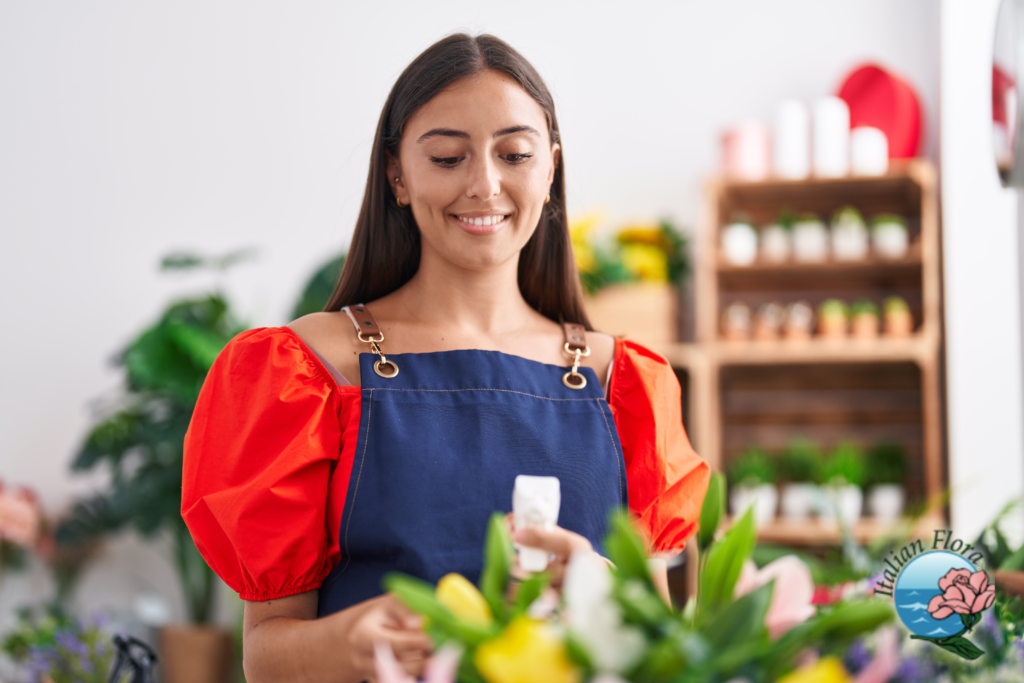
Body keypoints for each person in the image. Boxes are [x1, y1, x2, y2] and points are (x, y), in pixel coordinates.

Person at [181, 33, 709, 683]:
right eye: (448, 157)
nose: (484, 184)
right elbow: (265, 655)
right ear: (398, 175)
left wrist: (608, 593)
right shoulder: (307, 370)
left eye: (514, 153)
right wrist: (345, 640)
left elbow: (668, 651)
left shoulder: (623, 382)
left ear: (550, 172)